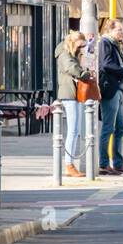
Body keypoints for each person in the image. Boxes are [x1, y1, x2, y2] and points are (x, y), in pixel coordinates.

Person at [97, 19, 123, 176]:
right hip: (111, 90)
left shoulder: (115, 44)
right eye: (119, 30)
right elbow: (106, 64)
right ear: (110, 30)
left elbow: (118, 63)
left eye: (122, 30)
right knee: (108, 128)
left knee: (120, 128)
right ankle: (104, 164)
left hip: (119, 90)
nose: (122, 32)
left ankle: (118, 163)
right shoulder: (105, 43)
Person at [55, 31, 92, 178]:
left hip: (74, 93)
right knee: (73, 130)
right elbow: (72, 68)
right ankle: (69, 164)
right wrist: (84, 74)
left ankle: (70, 164)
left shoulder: (72, 53)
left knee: (75, 130)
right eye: (80, 45)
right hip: (69, 93)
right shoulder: (65, 54)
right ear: (74, 42)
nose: (82, 47)